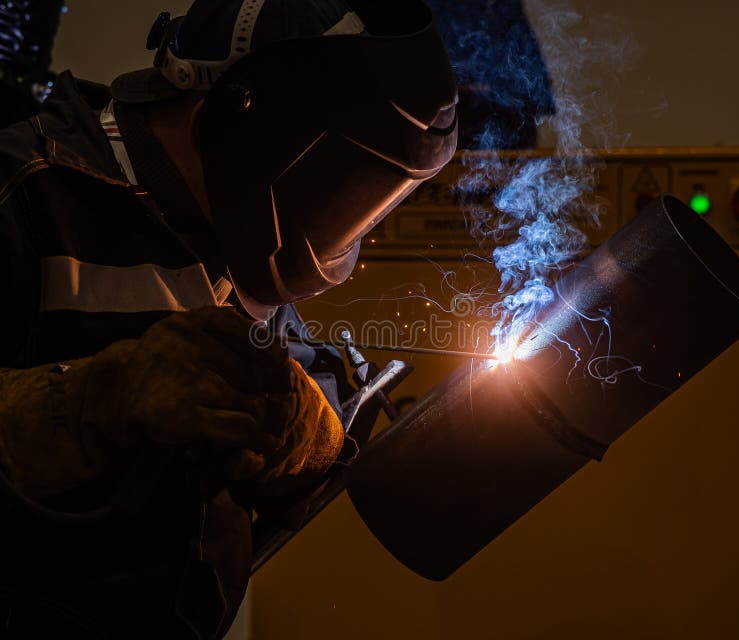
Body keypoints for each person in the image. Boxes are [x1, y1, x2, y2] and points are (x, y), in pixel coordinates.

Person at [0, 0, 457, 637]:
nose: (337, 221)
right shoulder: (23, 191)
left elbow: (296, 445)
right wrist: (96, 400)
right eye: (328, 183)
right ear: (236, 116)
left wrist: (307, 446)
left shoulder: (232, 254)